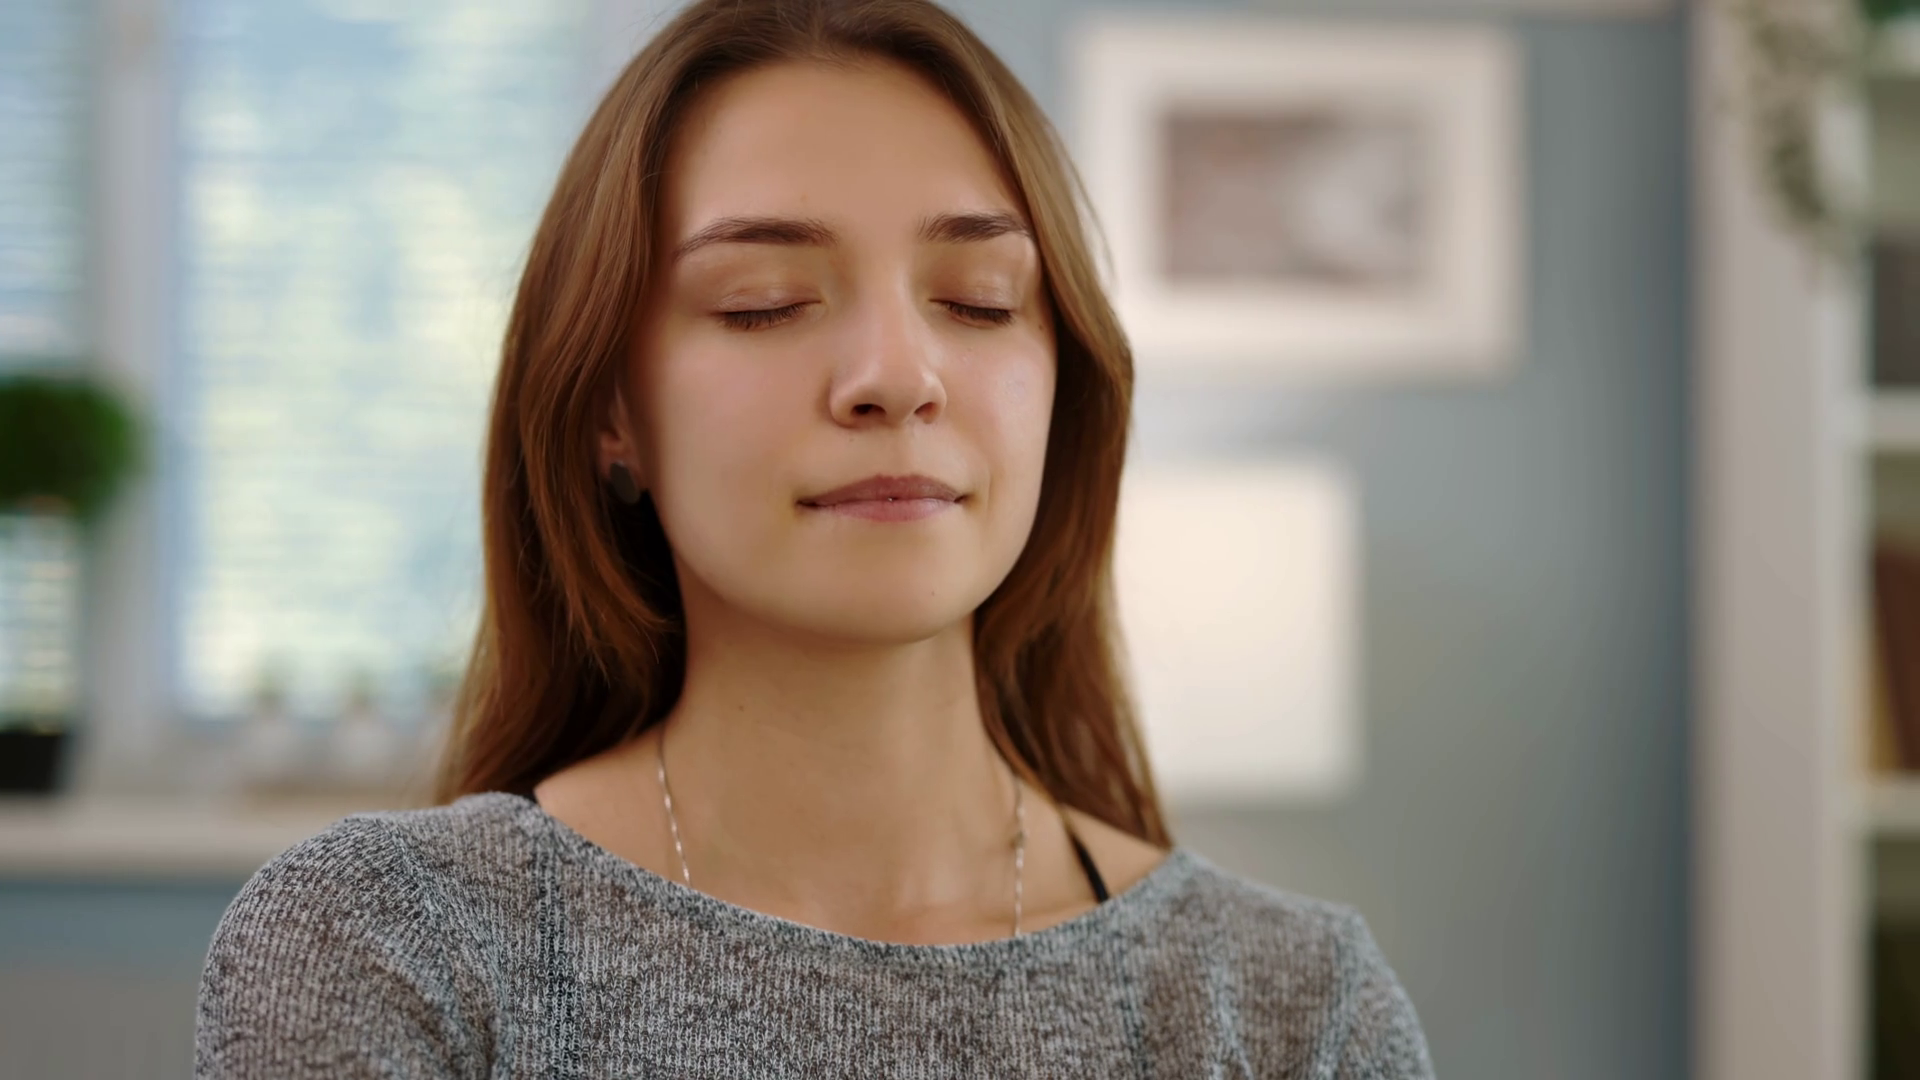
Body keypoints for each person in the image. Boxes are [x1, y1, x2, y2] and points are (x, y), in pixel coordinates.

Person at [193, 0, 1434, 1075]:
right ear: (610, 414)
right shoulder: (386, 944)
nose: (899, 376)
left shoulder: (1297, 1007)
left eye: (978, 302)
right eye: (765, 305)